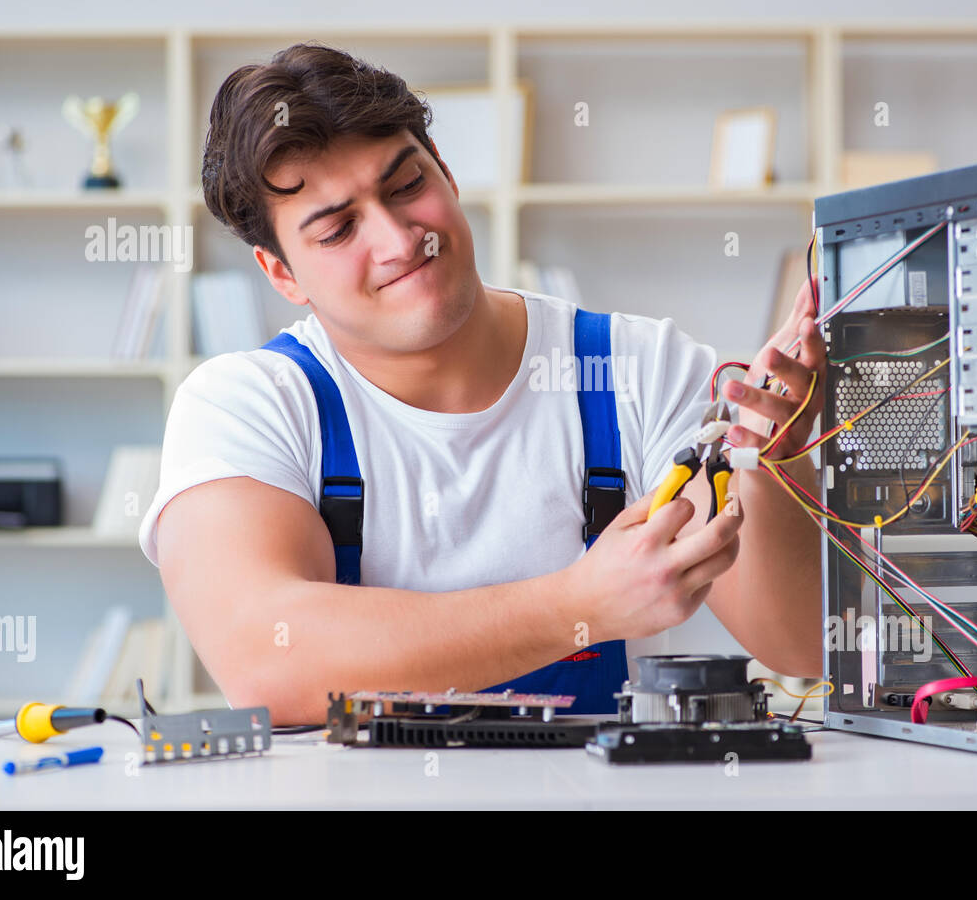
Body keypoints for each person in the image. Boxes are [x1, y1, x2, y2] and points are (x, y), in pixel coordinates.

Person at [138, 44, 826, 725]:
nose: (400, 240)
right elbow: (268, 657)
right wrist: (578, 605)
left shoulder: (637, 368)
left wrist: (770, 464)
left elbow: (798, 644)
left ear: (447, 174)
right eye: (340, 227)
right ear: (282, 273)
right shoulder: (248, 405)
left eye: (406, 185)